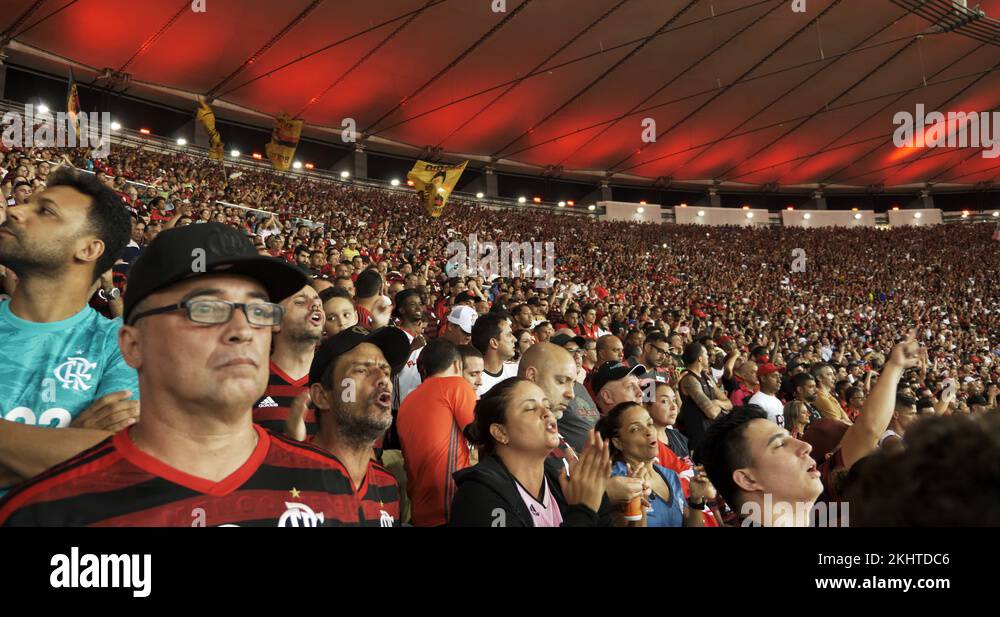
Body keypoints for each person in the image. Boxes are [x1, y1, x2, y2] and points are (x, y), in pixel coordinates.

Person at [0, 223, 396, 526]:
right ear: (132, 345)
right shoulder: (47, 511)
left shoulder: (329, 484)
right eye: (206, 308)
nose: (242, 330)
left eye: (259, 310)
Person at [0, 167, 137, 490]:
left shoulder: (119, 347)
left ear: (89, 249)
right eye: (26, 202)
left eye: (44, 210)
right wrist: (68, 438)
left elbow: (118, 465)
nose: (14, 209)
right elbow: (95, 458)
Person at [449, 378, 611, 527]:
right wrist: (583, 510)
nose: (547, 412)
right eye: (530, 408)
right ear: (501, 433)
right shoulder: (477, 496)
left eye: (547, 406)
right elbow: (583, 516)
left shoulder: (558, 483)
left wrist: (596, 492)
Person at [306, 324, 409, 525]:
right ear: (321, 396)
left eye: (386, 371)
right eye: (361, 370)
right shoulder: (285, 474)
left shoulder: (388, 486)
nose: (382, 380)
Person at [396, 339, 477, 526]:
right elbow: (481, 435)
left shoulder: (406, 403)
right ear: (457, 364)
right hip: (451, 507)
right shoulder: (457, 385)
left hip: (419, 511)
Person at [598, 402, 710, 527]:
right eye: (635, 429)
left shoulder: (670, 475)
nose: (648, 432)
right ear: (618, 442)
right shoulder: (617, 480)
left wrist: (696, 500)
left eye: (649, 424)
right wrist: (636, 506)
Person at [252, 284, 324, 436]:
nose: (315, 305)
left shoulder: (336, 381)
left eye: (318, 302)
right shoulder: (249, 379)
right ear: (274, 322)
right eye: (300, 302)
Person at [677, 342, 733, 455]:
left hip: (713, 435)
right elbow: (711, 412)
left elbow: (729, 403)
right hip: (700, 441)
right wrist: (719, 405)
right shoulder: (689, 380)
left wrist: (716, 402)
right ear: (700, 358)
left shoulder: (706, 377)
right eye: (706, 354)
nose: (708, 357)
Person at [550, 334, 600, 453]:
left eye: (579, 351)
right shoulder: (552, 388)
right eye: (570, 351)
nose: (577, 356)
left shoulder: (581, 387)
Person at [471, 313, 518, 397]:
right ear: (494, 343)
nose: (515, 339)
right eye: (509, 335)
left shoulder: (517, 370)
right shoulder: (473, 381)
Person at [748, 363, 786, 427]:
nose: (779, 380)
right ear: (763, 378)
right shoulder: (756, 402)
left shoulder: (777, 401)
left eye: (779, 377)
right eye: (774, 376)